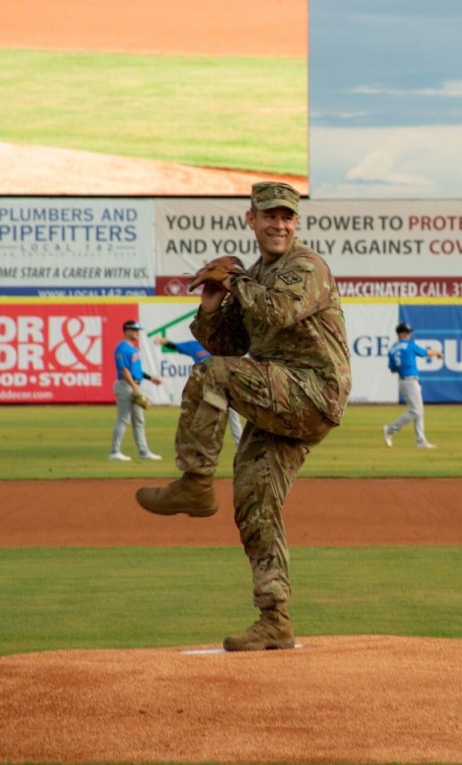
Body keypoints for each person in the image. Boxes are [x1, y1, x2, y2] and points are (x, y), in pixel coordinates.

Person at [135, 181, 351, 652]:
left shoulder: (305, 266)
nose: (279, 224)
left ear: (296, 223)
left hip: (311, 390)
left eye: (287, 216)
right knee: (255, 500)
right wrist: (211, 308)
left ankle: (193, 481)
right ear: (250, 220)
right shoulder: (253, 274)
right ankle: (275, 617)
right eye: (269, 215)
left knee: (209, 376)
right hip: (281, 395)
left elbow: (281, 310)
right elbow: (230, 346)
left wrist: (235, 283)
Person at [153, 334, 244, 446]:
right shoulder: (193, 345)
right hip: (209, 387)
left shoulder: (221, 344)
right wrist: (163, 341)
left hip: (226, 384)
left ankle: (240, 446)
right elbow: (175, 346)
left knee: (233, 417)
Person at [382, 323, 443, 449]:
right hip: (410, 381)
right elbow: (424, 352)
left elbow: (393, 369)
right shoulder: (410, 345)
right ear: (401, 334)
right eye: (407, 332)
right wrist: (437, 352)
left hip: (403, 381)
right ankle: (390, 429)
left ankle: (421, 441)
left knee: (419, 411)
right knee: (415, 411)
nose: (409, 334)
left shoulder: (393, 349)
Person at [109, 320, 163, 462]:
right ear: (126, 331)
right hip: (126, 385)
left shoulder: (133, 349)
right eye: (134, 330)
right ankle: (114, 452)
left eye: (137, 330)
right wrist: (135, 387)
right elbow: (124, 370)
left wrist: (151, 378)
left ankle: (144, 452)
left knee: (139, 421)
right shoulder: (121, 348)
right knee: (123, 419)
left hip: (135, 385)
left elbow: (136, 371)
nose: (137, 333)